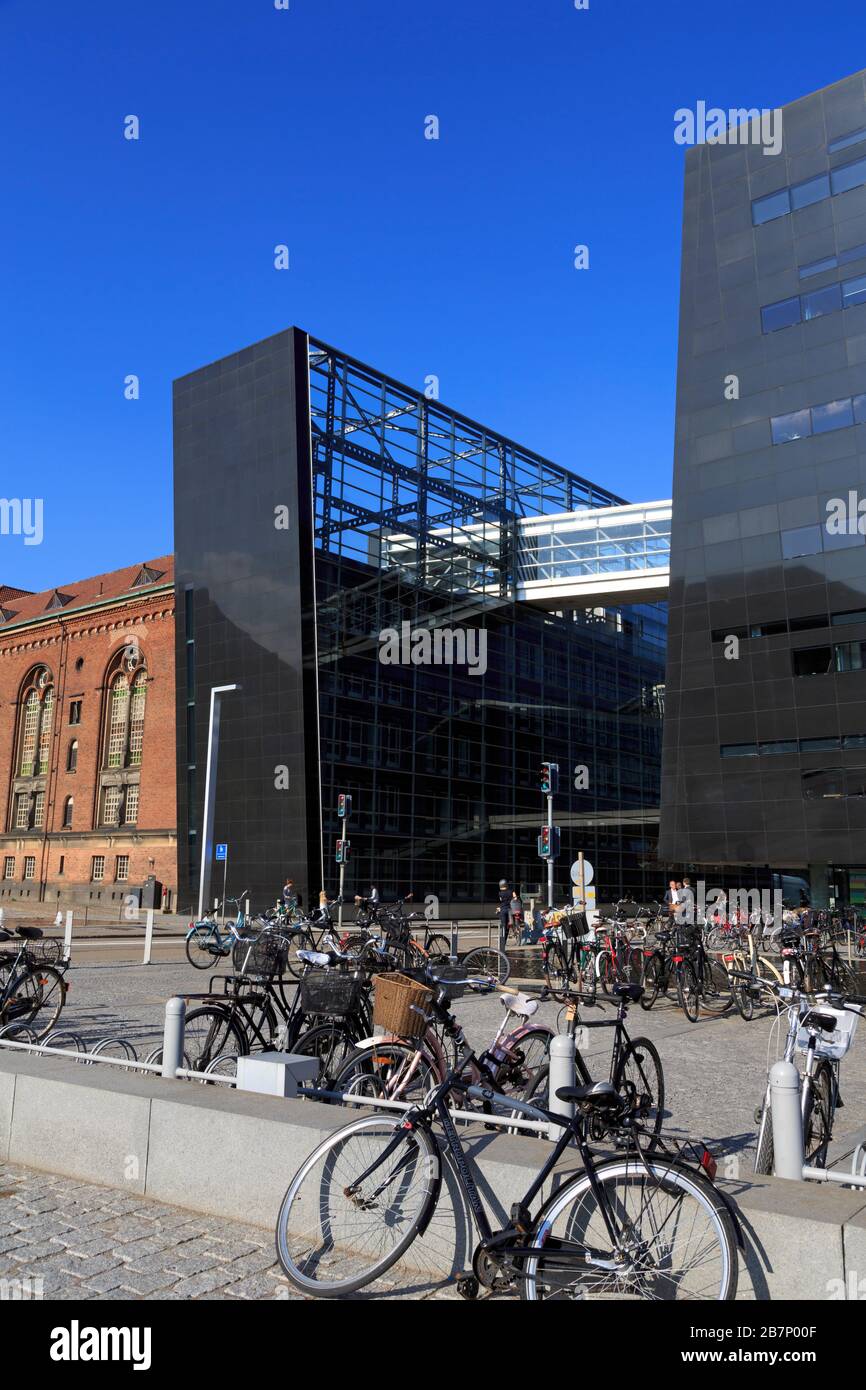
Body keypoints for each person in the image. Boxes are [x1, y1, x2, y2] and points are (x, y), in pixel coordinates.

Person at [497, 879, 511, 947]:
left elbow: (501, 901)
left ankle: (502, 942)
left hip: (502, 910)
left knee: (503, 926)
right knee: (507, 927)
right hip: (509, 910)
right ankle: (504, 941)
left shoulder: (500, 893)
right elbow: (514, 899)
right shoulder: (510, 892)